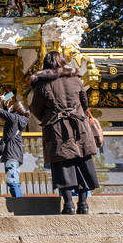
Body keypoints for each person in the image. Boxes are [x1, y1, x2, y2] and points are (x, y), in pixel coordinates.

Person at [28, 51, 101, 214]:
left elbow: (36, 109)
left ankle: (68, 205)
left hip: (58, 128)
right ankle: (83, 204)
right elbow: (84, 102)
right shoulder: (75, 79)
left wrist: (50, 117)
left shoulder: (43, 84)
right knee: (82, 162)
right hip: (79, 126)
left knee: (62, 164)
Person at [0, 91, 30, 198]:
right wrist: (6, 106)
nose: (11, 106)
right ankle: (18, 201)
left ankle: (19, 203)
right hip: (16, 153)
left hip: (11, 153)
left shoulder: (14, 118)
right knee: (13, 179)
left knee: (12, 181)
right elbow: (9, 121)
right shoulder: (21, 119)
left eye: (13, 106)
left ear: (16, 109)